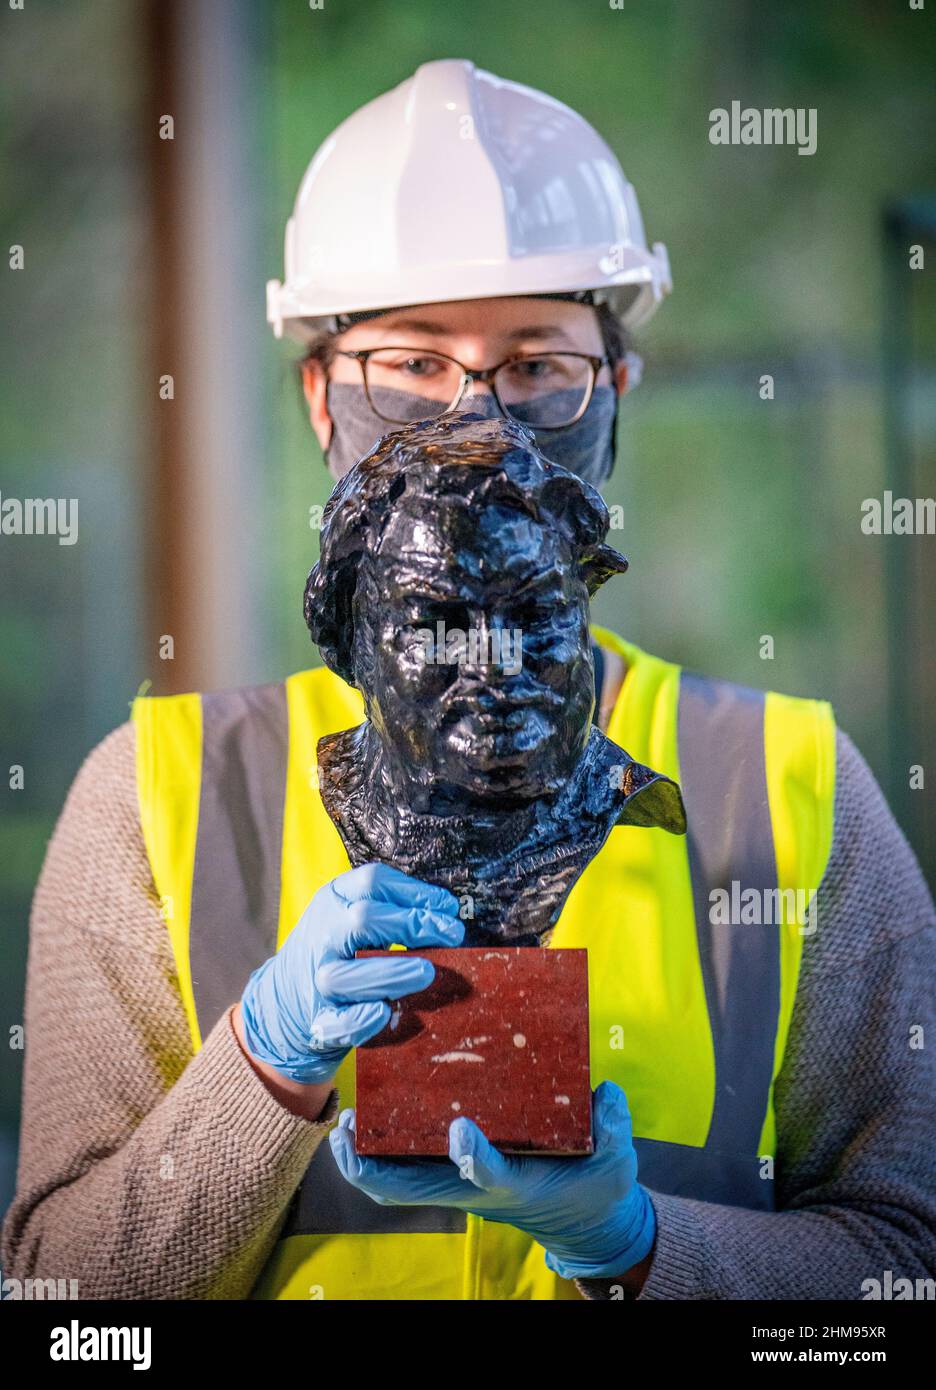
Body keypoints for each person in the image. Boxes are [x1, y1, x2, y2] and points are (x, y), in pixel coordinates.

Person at [3, 59, 934, 1303]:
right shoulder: (153, 800)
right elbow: (60, 1306)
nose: (481, 425)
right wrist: (264, 1072)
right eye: (413, 363)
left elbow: (905, 1269)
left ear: (617, 398)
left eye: (539, 364)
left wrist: (638, 1245)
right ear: (321, 402)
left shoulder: (791, 789)